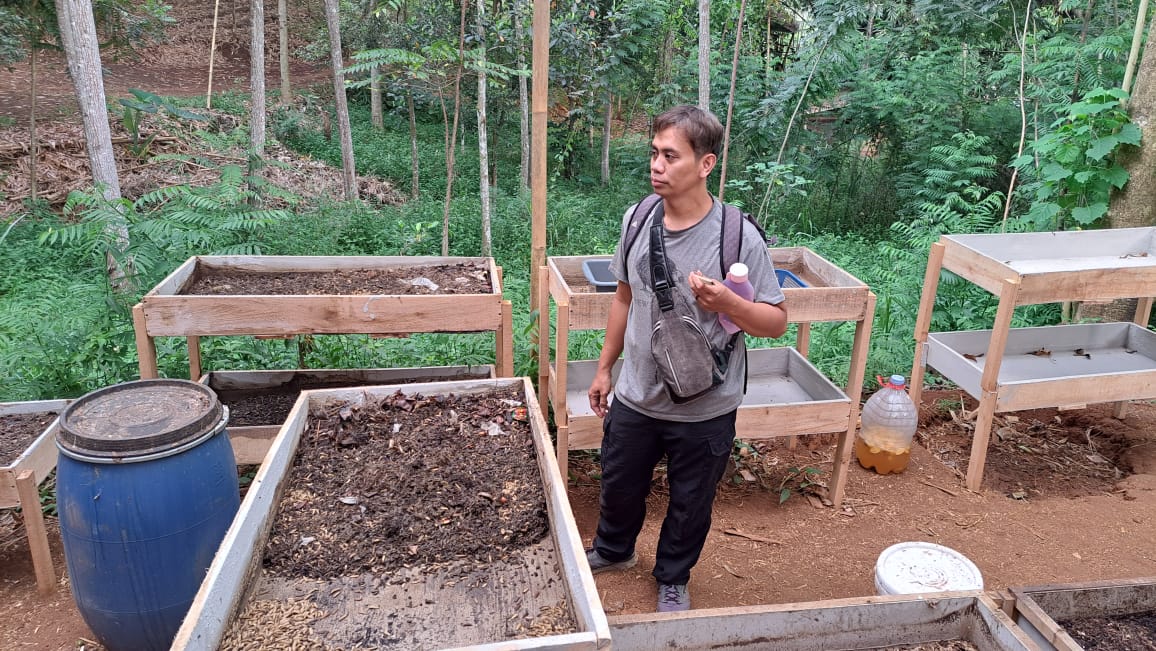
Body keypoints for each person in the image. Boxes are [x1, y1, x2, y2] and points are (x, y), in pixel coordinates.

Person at [585, 105, 789, 612]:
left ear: (705, 164)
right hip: (637, 394)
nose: (656, 165)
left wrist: (728, 303)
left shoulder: (737, 235)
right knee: (618, 481)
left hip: (707, 404)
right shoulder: (636, 219)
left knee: (691, 500)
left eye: (670, 155)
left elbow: (775, 321)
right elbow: (624, 298)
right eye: (654, 153)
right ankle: (613, 551)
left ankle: (673, 576)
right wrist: (605, 368)